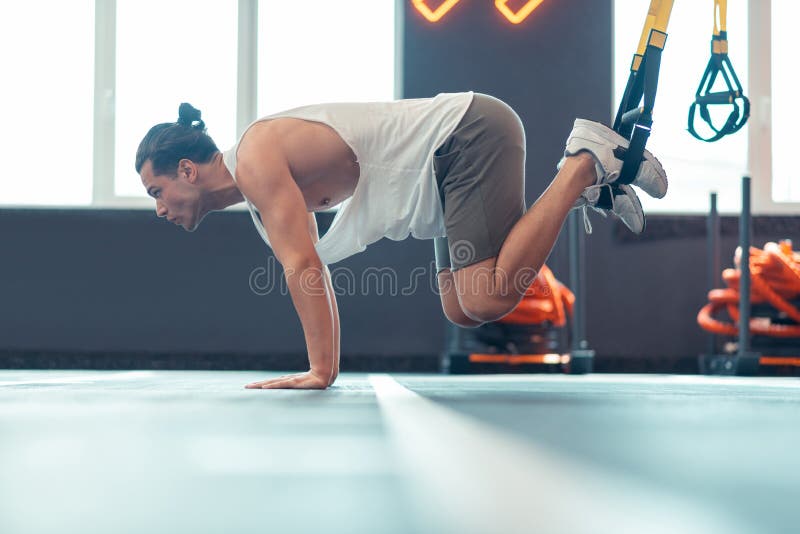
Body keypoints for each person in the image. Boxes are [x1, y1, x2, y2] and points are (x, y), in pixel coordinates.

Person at [135, 92, 667, 390]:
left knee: (486, 297)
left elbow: (303, 268)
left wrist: (322, 372)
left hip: (466, 136)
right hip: (437, 183)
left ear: (187, 170)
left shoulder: (255, 157)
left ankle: (583, 162)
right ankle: (588, 189)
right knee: (462, 309)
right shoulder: (257, 192)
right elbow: (310, 265)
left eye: (157, 191)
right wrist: (324, 368)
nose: (159, 208)